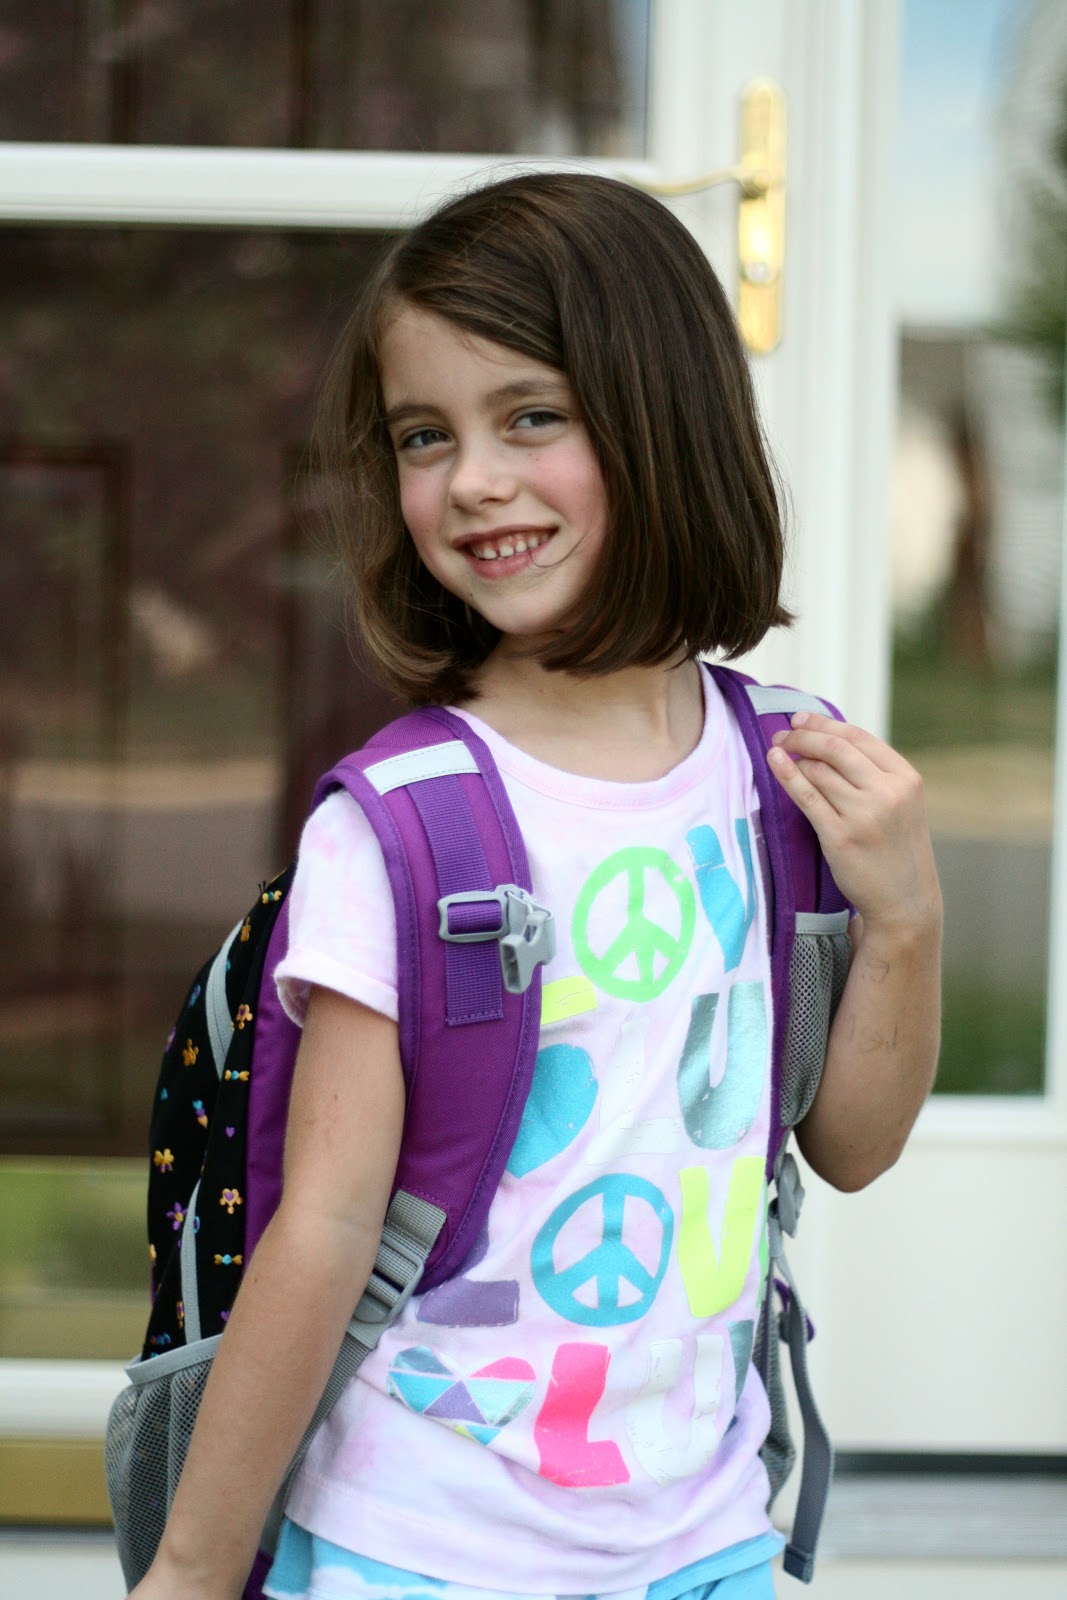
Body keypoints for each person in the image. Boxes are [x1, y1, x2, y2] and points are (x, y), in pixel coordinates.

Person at [130, 172, 942, 1600]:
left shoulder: (782, 774)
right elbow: (319, 1232)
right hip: (422, 1543)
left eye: (533, 418)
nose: (474, 483)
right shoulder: (401, 834)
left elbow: (852, 1145)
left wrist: (908, 921)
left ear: (663, 420)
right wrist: (191, 1572)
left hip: (704, 1536)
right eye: (425, 437)